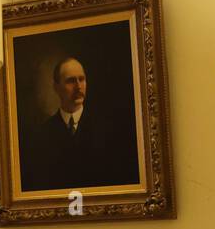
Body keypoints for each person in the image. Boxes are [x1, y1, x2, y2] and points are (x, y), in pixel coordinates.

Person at [20, 56, 140, 192]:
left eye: (81, 79)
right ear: (56, 87)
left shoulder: (107, 129)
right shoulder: (41, 135)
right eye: (71, 81)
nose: (78, 86)